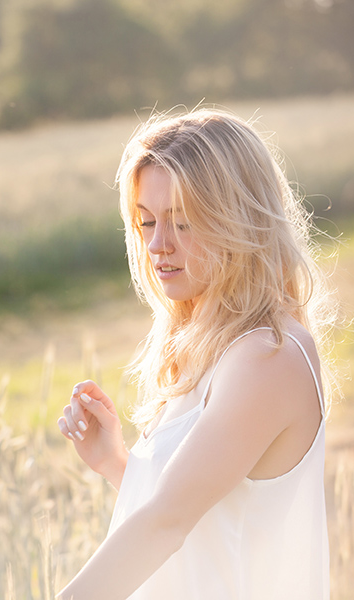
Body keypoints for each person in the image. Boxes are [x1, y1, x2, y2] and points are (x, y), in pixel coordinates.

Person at [55, 108, 337, 600]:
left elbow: (168, 520)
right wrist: (117, 464)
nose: (158, 245)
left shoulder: (269, 355)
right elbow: (211, 522)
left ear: (240, 221)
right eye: (147, 222)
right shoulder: (215, 348)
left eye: (182, 223)